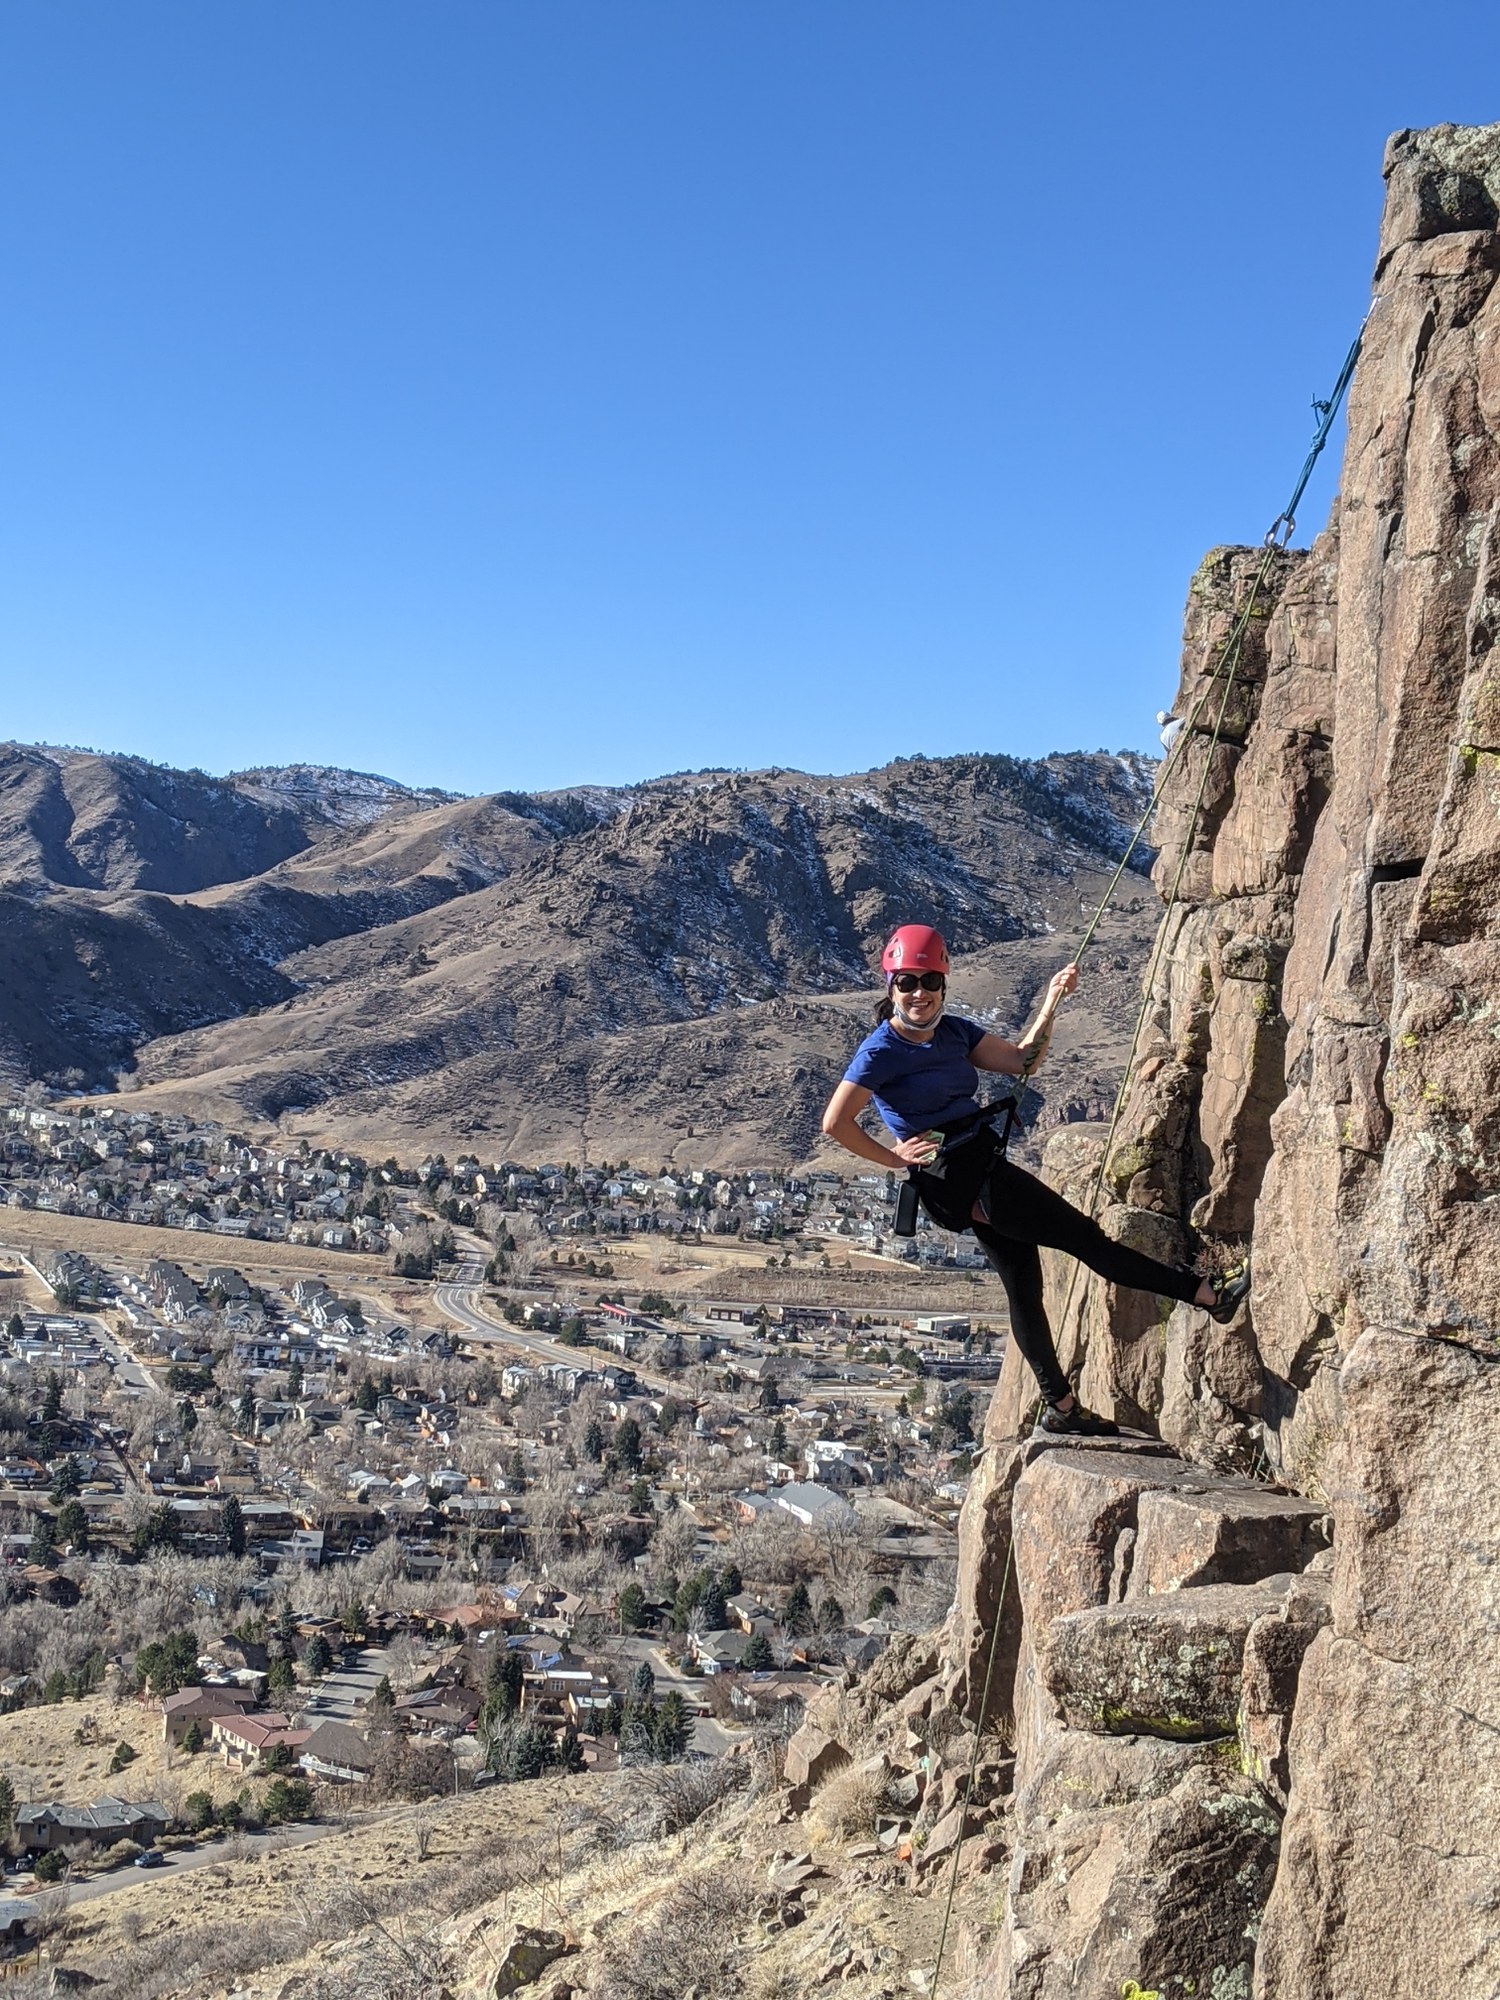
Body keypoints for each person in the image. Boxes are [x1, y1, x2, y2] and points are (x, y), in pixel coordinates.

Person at [820, 924, 1250, 1437]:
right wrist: (893, 1158)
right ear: (890, 986)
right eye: (907, 981)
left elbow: (1022, 1060)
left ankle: (1061, 1406)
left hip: (979, 1168)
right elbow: (835, 1123)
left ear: (943, 982)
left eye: (928, 980)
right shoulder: (880, 1050)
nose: (918, 992)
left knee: (1024, 1290)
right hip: (959, 1177)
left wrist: (1050, 1003)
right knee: (1088, 1241)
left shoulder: (955, 1032)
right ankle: (1206, 1293)